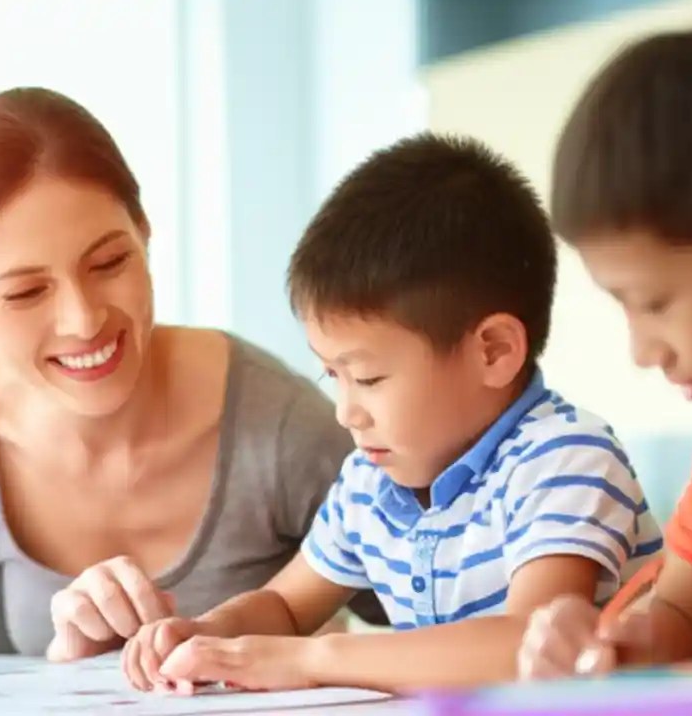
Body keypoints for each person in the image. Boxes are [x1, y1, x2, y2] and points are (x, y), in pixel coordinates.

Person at [122, 133, 662, 693]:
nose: (346, 412)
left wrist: (311, 661)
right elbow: (284, 606)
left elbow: (524, 648)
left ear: (494, 351)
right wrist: (208, 632)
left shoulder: (566, 457)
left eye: (369, 378)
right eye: (333, 377)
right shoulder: (370, 482)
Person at [0, 86, 379, 660]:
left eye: (109, 263)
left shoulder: (286, 428)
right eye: (28, 292)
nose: (83, 321)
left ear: (144, 230)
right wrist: (72, 672)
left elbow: (463, 621)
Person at [518, 30, 692, 678]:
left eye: (654, 302)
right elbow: (683, 609)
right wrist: (618, 650)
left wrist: (660, 693)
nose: (641, 350)